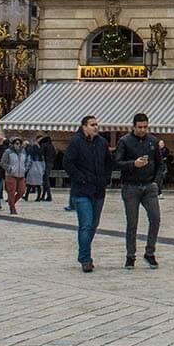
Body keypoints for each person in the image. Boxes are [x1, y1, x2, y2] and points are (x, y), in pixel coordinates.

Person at [115, 113, 164, 269]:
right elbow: (117, 162)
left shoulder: (153, 141)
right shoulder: (124, 141)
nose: (143, 130)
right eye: (140, 127)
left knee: (155, 218)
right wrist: (133, 164)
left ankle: (150, 252)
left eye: (145, 127)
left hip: (149, 186)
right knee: (132, 223)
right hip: (131, 186)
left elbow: (160, 164)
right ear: (134, 126)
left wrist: (156, 182)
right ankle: (130, 256)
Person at [64, 115, 111, 272]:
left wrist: (106, 179)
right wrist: (80, 179)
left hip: (98, 190)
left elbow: (108, 163)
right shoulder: (76, 142)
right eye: (92, 125)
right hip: (82, 191)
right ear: (84, 127)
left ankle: (83, 252)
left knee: (93, 225)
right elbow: (68, 162)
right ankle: (85, 259)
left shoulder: (102, 143)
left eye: (97, 124)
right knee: (86, 225)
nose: (95, 127)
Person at [3, 136, 30, 214]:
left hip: (21, 175)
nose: (18, 145)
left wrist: (25, 168)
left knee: (21, 191)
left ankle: (11, 203)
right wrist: (10, 169)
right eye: (16, 143)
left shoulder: (23, 152)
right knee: (11, 192)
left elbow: (27, 160)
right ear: (13, 144)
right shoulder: (8, 152)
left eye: (19, 143)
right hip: (11, 175)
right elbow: (3, 163)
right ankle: (12, 208)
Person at [37, 134, 57, 202]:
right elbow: (55, 155)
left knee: (45, 180)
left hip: (45, 163)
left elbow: (40, 153)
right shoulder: (52, 146)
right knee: (46, 179)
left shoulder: (44, 145)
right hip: (50, 163)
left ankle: (48, 196)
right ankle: (44, 195)